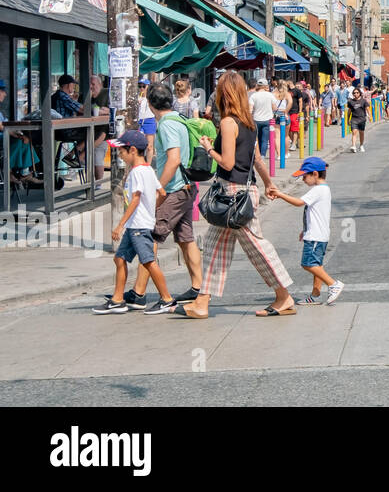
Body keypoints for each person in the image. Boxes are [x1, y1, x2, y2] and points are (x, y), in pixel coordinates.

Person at [182, 72, 295, 319]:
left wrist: (209, 148)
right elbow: (257, 159)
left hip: (232, 194)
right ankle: (202, 302)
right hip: (241, 191)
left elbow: (228, 161)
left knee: (256, 246)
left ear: (225, 93)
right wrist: (268, 183)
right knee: (214, 249)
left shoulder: (228, 123)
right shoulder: (249, 122)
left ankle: (284, 295)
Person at [118, 84, 203, 309]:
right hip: (186, 188)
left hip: (174, 190)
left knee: (152, 237)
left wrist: (158, 188)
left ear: (150, 104)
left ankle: (139, 292)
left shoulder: (166, 125)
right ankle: (198, 288)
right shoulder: (180, 119)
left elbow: (174, 159)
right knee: (186, 239)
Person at [93, 130, 176, 315]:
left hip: (137, 226)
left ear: (131, 150)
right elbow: (161, 193)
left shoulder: (137, 172)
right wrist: (150, 210)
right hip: (137, 224)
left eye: (121, 151)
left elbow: (136, 199)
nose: (119, 155)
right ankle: (117, 300)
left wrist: (120, 224)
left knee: (148, 262)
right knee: (119, 258)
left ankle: (167, 299)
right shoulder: (147, 169)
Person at [269, 156, 345, 306]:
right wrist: (305, 230)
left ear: (315, 174)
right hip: (318, 234)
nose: (303, 179)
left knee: (308, 264)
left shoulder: (318, 190)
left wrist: (279, 194)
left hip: (316, 236)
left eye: (305, 176)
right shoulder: (324, 189)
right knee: (317, 265)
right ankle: (315, 295)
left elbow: (299, 203)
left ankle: (333, 284)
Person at [249, 79, 275, 159]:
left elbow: (250, 109)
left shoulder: (253, 96)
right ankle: (262, 155)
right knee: (264, 139)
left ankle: (257, 154)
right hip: (268, 119)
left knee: (256, 138)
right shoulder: (270, 95)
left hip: (256, 119)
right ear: (266, 86)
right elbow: (274, 107)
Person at [347, 87, 369, 152]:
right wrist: (348, 119)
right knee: (354, 132)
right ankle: (353, 146)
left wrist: (370, 116)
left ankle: (361, 145)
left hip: (362, 119)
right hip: (354, 119)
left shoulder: (363, 101)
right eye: (354, 93)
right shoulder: (351, 101)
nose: (355, 94)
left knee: (361, 133)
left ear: (359, 93)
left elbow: (367, 109)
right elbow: (349, 111)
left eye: (357, 93)